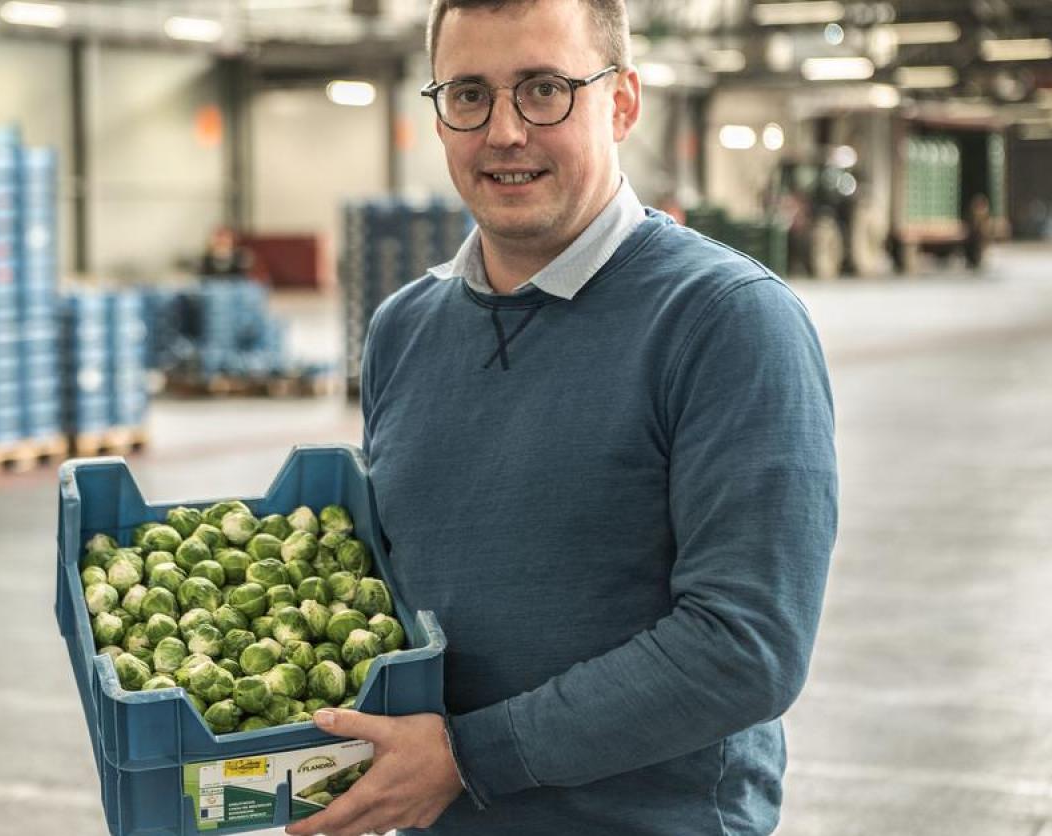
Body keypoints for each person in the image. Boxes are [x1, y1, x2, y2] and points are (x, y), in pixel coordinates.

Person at [285, 1, 838, 835]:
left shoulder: (726, 321)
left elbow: (745, 649)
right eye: (469, 95)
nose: (504, 132)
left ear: (622, 103)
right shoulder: (404, 330)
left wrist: (470, 758)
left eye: (545, 89)